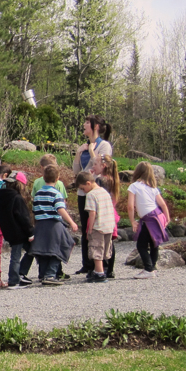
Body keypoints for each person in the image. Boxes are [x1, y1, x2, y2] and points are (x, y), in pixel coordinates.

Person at [72, 115, 113, 275]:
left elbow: (98, 169)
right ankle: (87, 264)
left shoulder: (104, 146)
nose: (84, 125)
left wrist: (91, 151)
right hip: (83, 192)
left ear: (96, 126)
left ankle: (103, 266)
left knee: (99, 228)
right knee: (85, 229)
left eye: (87, 123)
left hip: (97, 193)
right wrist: (78, 153)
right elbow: (77, 172)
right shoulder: (84, 146)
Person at [31, 165, 78, 286]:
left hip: (40, 224)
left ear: (43, 177)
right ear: (57, 178)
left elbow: (34, 209)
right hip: (53, 223)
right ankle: (51, 274)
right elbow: (60, 209)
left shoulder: (38, 193)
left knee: (43, 249)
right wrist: (71, 222)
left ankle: (42, 274)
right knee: (59, 247)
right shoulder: (56, 194)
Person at [128, 161, 171, 279]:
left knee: (141, 245)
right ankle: (152, 267)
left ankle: (148, 269)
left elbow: (130, 206)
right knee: (154, 244)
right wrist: (167, 218)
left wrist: (132, 221)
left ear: (137, 172)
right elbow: (162, 204)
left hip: (148, 218)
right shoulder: (153, 187)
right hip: (157, 215)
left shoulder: (134, 186)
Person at [76, 171, 116, 283]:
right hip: (108, 225)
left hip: (98, 226)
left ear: (88, 183)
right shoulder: (105, 192)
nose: (83, 191)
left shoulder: (91, 195)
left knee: (96, 248)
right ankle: (102, 270)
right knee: (105, 249)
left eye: (83, 188)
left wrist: (89, 229)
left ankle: (99, 273)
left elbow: (92, 213)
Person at [0, 171, 34, 290]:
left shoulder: (2, 196)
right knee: (17, 256)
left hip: (8, 230)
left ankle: (20, 274)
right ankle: (14, 280)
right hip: (19, 232)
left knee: (28, 251)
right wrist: (30, 232)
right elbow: (23, 217)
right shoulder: (17, 198)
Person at [91, 154, 121, 278]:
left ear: (103, 166)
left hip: (101, 213)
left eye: (95, 164)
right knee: (110, 242)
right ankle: (110, 270)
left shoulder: (100, 180)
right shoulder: (114, 180)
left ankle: (100, 268)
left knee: (99, 242)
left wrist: (91, 177)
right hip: (111, 214)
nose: (93, 166)